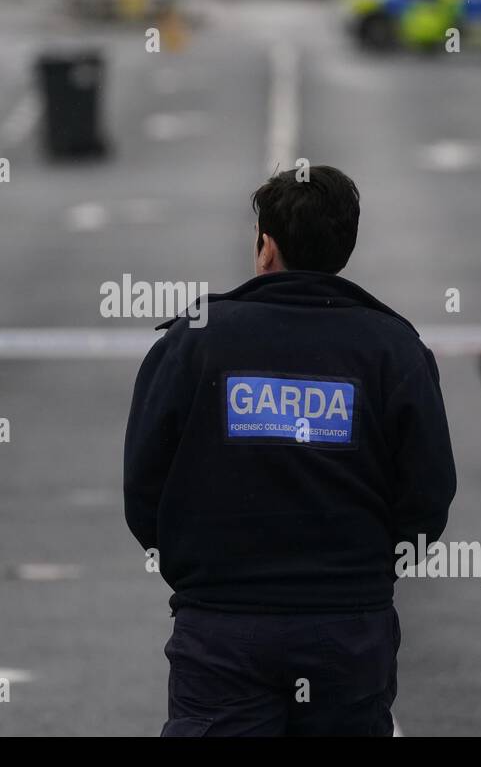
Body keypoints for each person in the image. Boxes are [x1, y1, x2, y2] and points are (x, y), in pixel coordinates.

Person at [123, 165, 456, 736]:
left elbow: (143, 490)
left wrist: (204, 572)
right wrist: (362, 573)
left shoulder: (193, 342)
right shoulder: (394, 349)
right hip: (348, 630)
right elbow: (427, 496)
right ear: (344, 248)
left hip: (222, 631)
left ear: (265, 246)